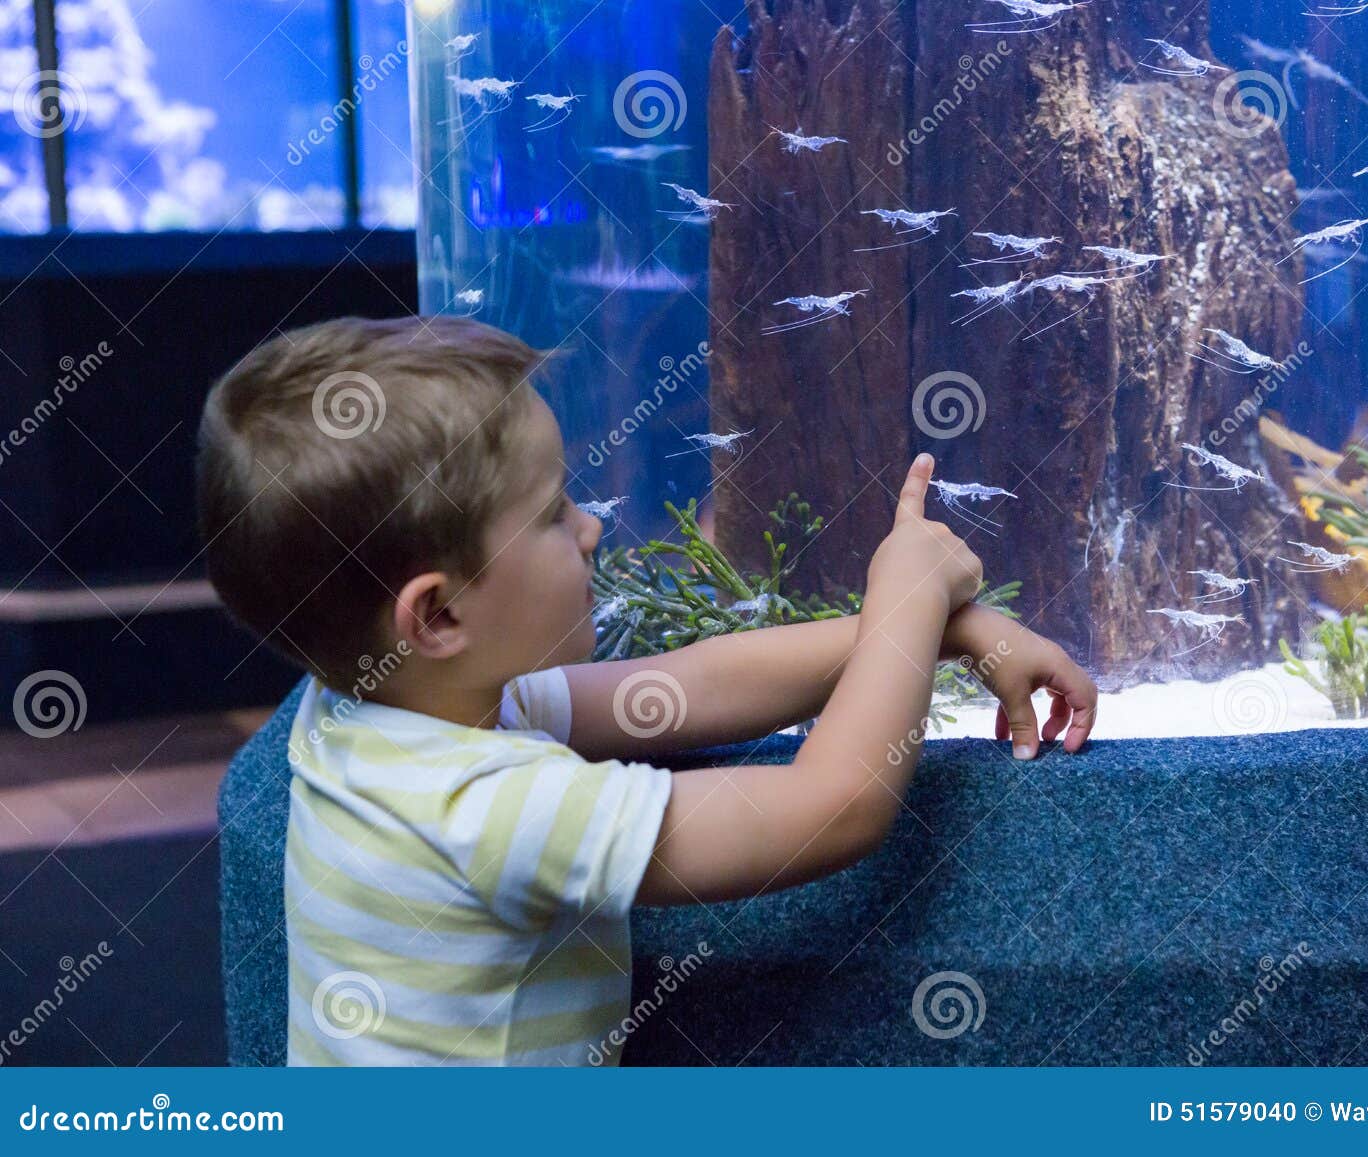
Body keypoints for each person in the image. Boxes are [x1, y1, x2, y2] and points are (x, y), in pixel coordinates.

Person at [196, 315, 1097, 1065]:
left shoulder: (381, 708)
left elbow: (687, 683)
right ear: (434, 618)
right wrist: (908, 587)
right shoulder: (479, 807)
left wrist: (946, 631)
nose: (589, 528)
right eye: (552, 513)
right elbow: (836, 804)